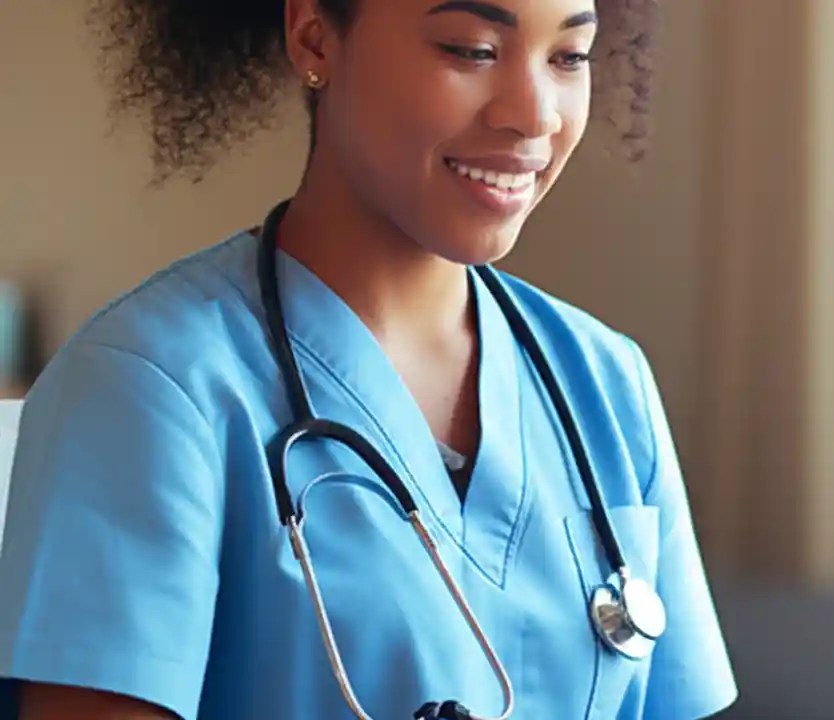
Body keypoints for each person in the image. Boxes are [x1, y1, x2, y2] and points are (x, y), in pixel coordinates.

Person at [0, 0, 737, 718]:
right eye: (472, 50)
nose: (534, 113)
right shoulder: (146, 387)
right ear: (316, 39)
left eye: (569, 56)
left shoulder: (606, 383)